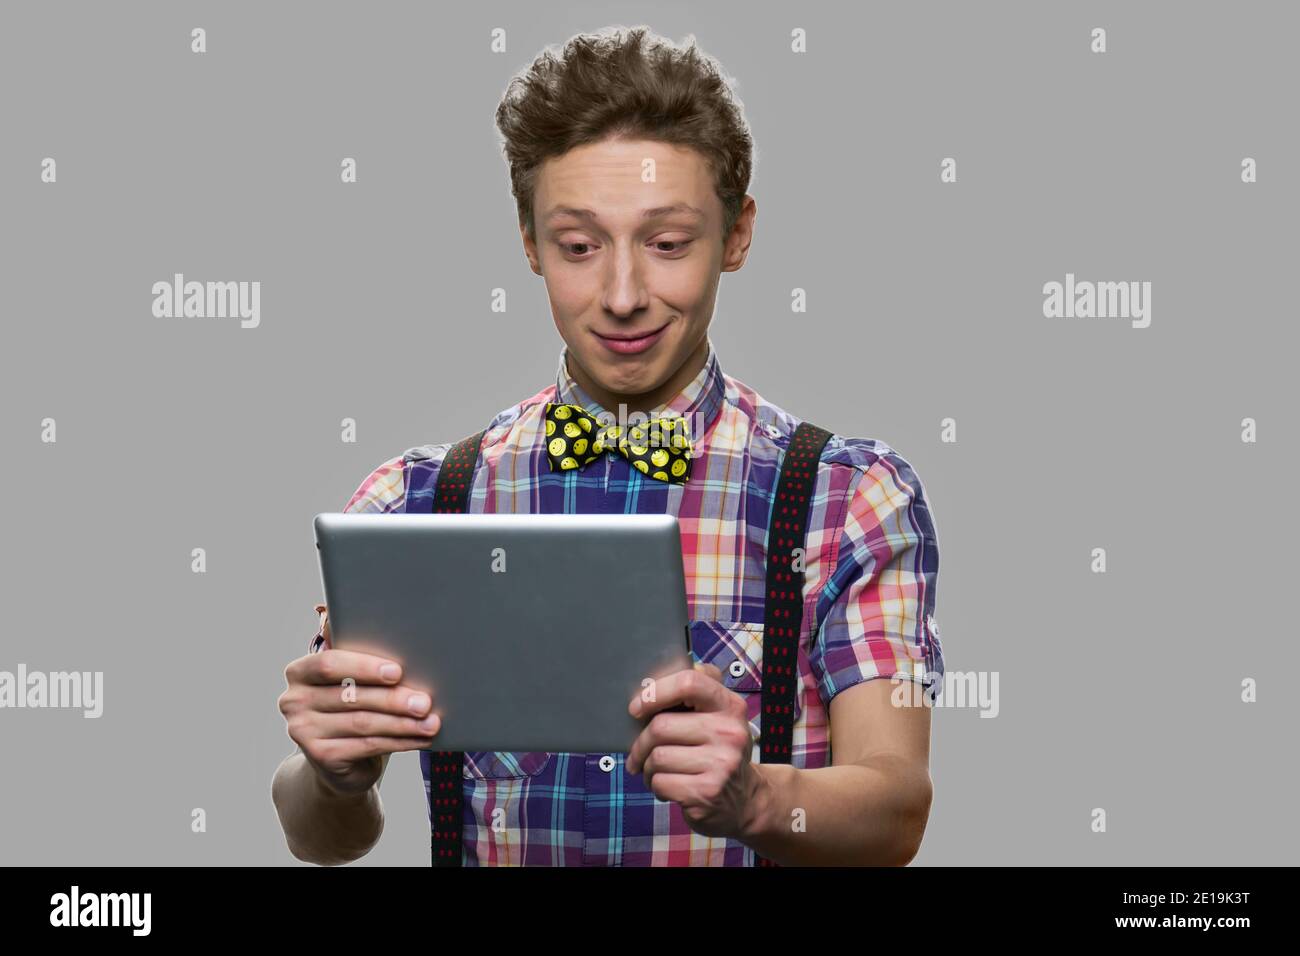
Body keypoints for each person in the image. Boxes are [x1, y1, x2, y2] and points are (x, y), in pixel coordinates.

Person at [272, 25, 944, 866]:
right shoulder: (416, 504)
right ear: (529, 245)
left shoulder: (847, 499)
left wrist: (756, 798)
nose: (623, 294)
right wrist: (333, 775)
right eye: (580, 247)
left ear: (737, 237)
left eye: (667, 244)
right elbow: (321, 839)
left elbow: (897, 809)